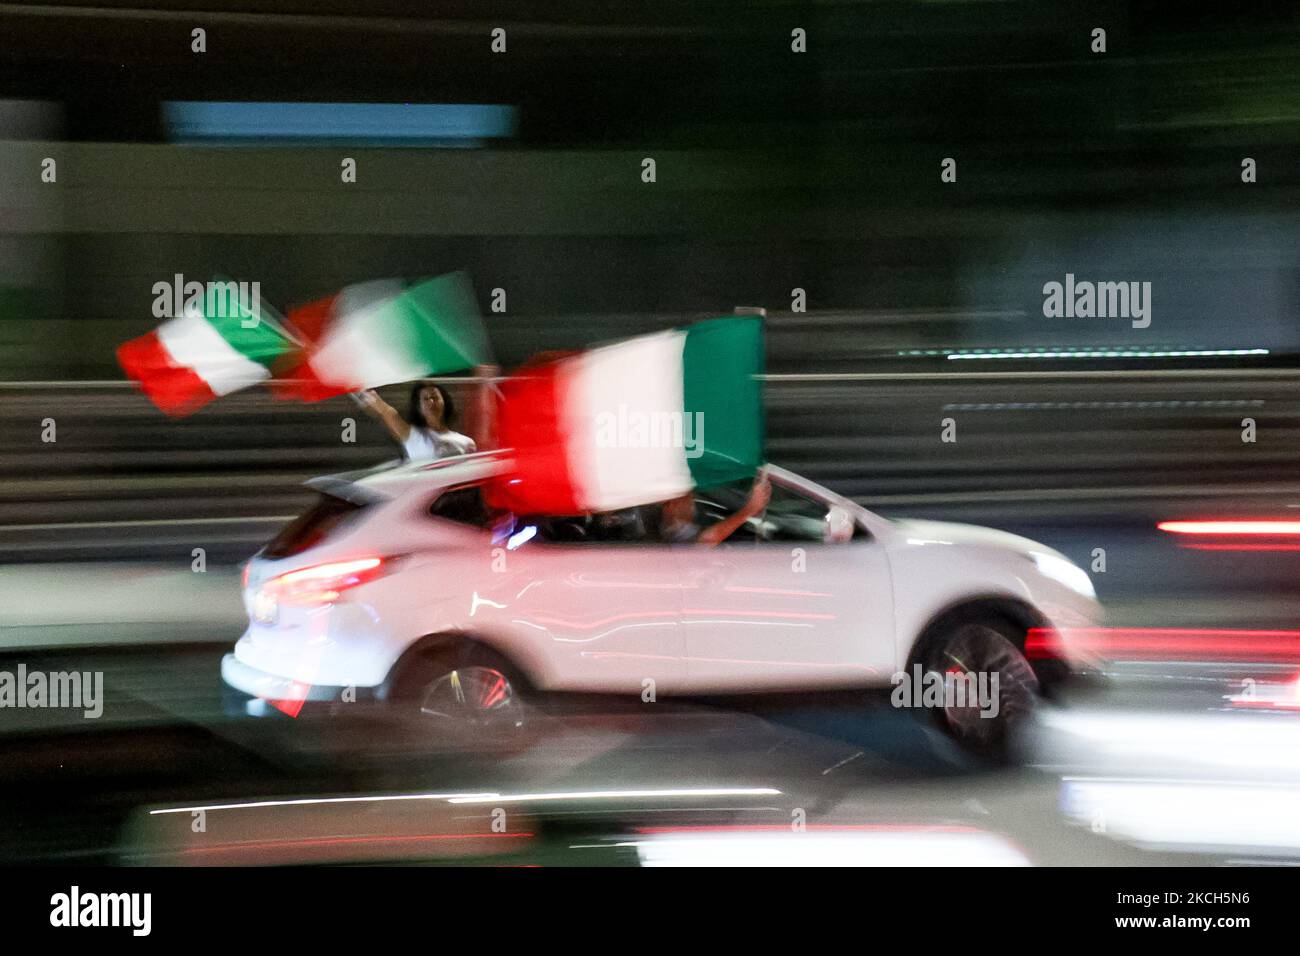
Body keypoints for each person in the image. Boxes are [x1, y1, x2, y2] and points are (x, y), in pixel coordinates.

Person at [357, 382, 477, 462]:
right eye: (425, 399)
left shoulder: (466, 442)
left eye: (435, 397)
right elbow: (388, 413)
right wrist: (368, 395)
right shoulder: (413, 436)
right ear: (419, 408)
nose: (431, 402)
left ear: (444, 402)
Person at [657, 473, 771, 546]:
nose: (692, 502)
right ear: (671, 505)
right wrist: (750, 509)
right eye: (687, 498)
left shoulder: (684, 525)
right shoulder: (670, 533)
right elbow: (706, 541)